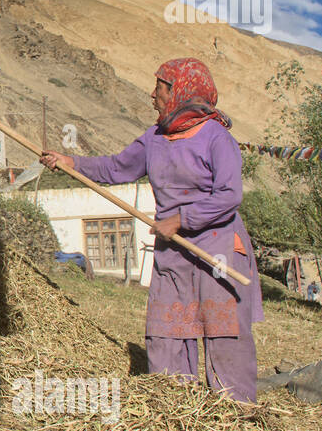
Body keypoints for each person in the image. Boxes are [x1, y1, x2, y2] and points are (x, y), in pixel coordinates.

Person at [41, 58, 263, 403]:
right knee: (168, 333)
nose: (152, 95)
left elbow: (229, 195)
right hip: (173, 252)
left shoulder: (217, 138)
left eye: (159, 87)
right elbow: (117, 167)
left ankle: (235, 414)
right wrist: (73, 163)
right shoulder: (155, 139)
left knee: (223, 333)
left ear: (180, 92)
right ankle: (175, 410)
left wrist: (181, 219)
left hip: (217, 249)